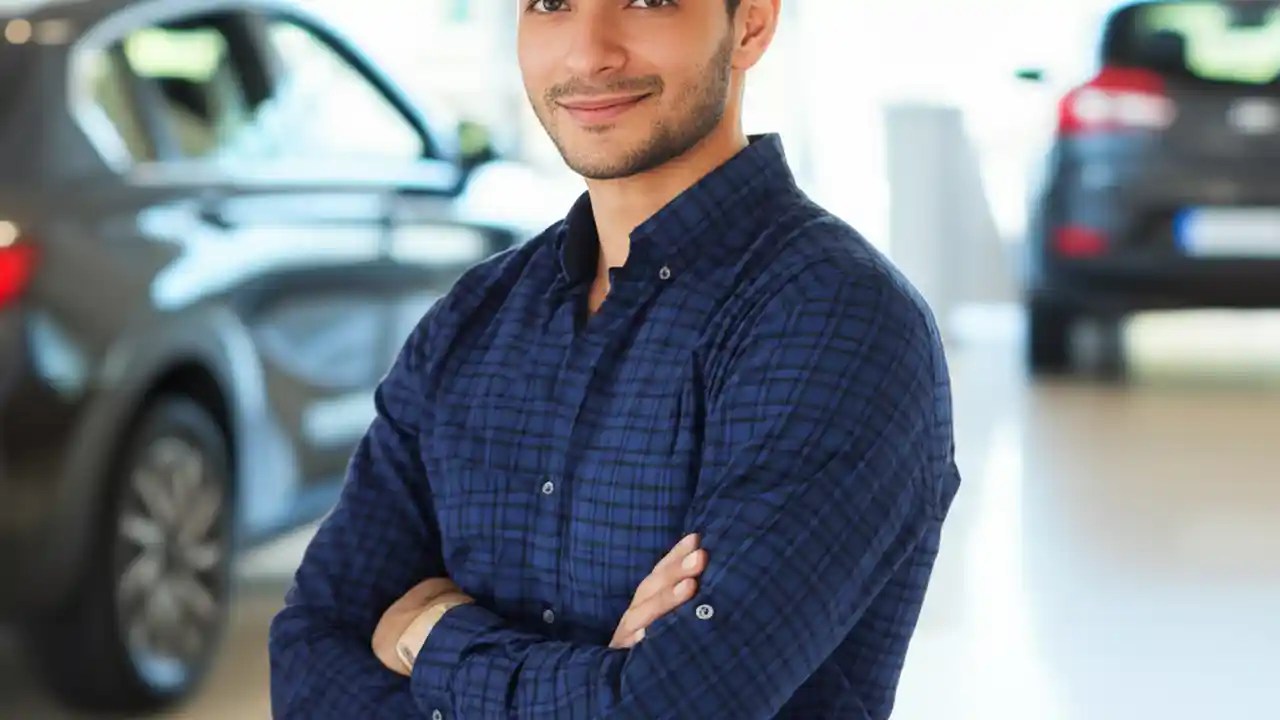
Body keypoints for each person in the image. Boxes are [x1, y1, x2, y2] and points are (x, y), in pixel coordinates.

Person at [268, 0, 961, 718]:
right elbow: (310, 651)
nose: (587, 53)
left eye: (649, 0)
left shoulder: (836, 321)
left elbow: (671, 709)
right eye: (550, 4)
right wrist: (598, 679)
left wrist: (431, 634)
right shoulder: (475, 318)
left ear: (749, 23)